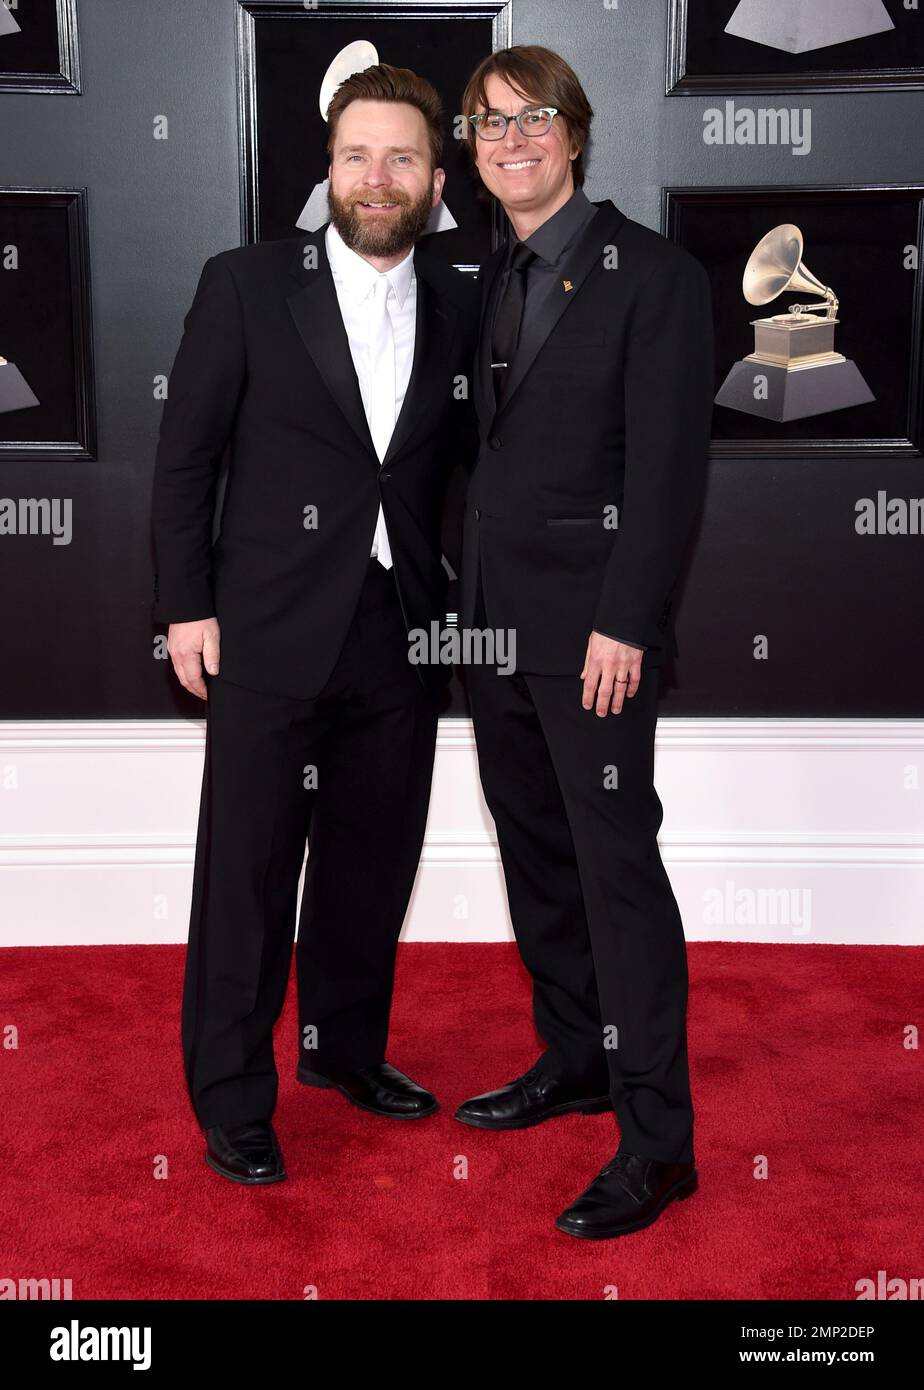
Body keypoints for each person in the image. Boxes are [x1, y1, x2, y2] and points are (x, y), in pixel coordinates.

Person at [151, 64, 478, 1185]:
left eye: (400, 158)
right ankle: (233, 1095)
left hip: (399, 632)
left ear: (436, 179)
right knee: (245, 870)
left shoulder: (465, 301)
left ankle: (344, 1054)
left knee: (368, 862)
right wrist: (185, 604)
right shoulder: (245, 284)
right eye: (355, 156)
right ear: (326, 171)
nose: (375, 178)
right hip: (265, 630)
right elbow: (186, 457)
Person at [455, 45, 714, 1239]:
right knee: (536, 853)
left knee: (615, 876)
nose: (510, 140)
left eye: (532, 119)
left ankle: (660, 1145)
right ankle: (578, 1055)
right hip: (495, 627)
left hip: (594, 635)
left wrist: (627, 618)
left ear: (576, 132)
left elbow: (666, 472)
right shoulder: (487, 272)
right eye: (487, 124)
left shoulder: (651, 275)